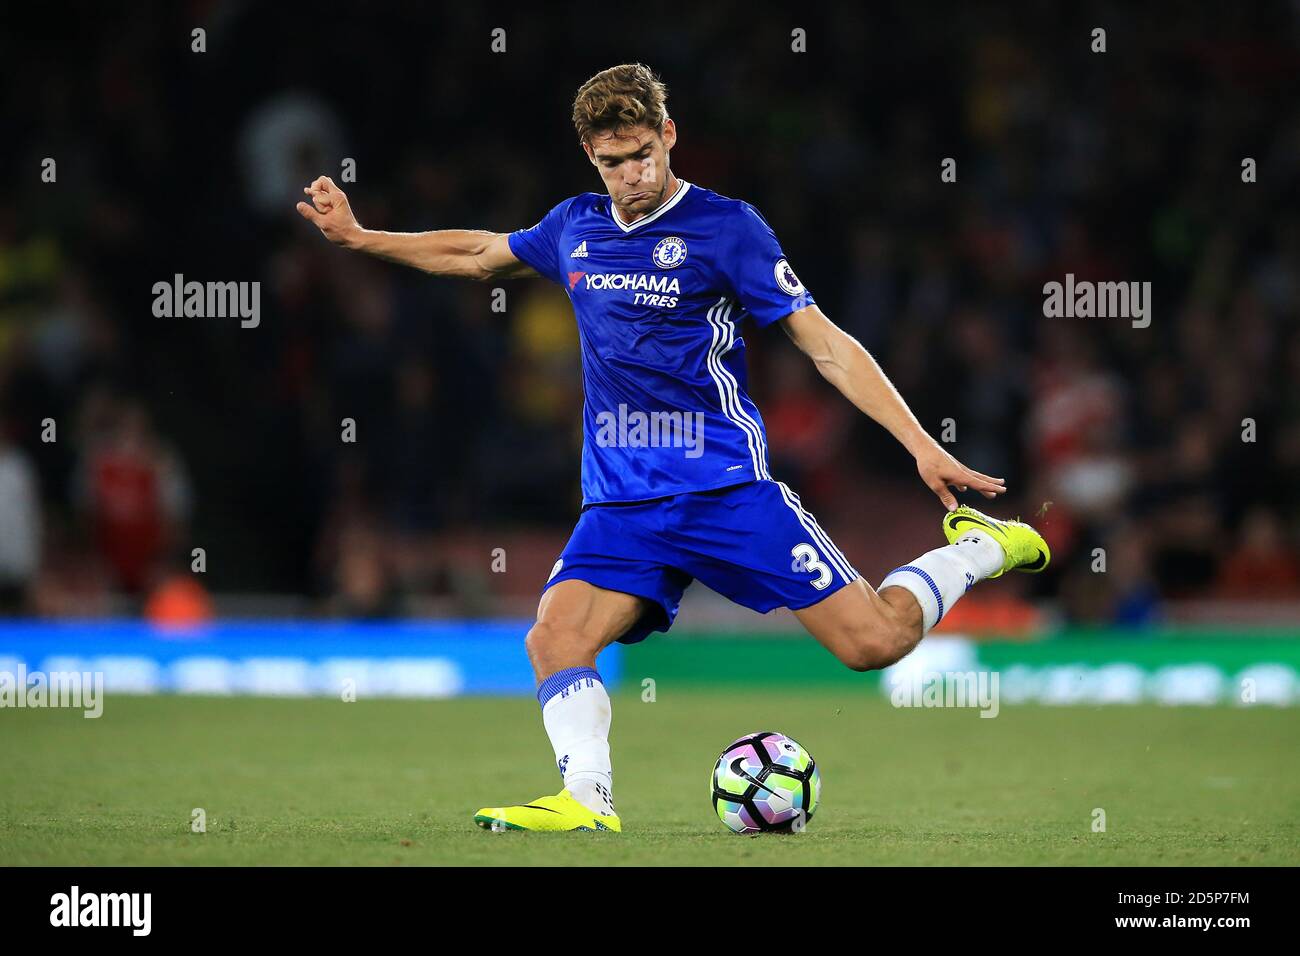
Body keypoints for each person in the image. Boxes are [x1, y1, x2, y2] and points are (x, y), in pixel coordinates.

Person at [297, 63, 1049, 832]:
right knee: (555, 638)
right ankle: (588, 802)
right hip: (622, 504)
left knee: (875, 644)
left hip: (724, 489)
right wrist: (359, 237)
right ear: (591, 158)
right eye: (611, 162)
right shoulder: (574, 227)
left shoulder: (729, 230)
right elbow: (478, 254)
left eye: (641, 154)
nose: (629, 176)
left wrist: (921, 444)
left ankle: (978, 551)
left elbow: (825, 345)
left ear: (669, 135)